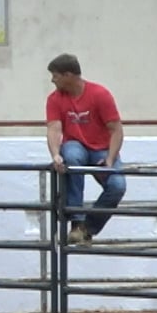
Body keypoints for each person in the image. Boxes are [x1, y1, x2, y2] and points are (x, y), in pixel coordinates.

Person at [46, 53, 126, 244]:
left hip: (102, 148)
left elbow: (116, 130)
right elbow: (54, 128)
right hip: (75, 144)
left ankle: (87, 228)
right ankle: (75, 219)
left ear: (68, 75)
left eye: (55, 76)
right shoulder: (55, 99)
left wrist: (109, 159)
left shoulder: (99, 95)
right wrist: (56, 155)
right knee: (72, 158)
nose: (52, 80)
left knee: (117, 186)